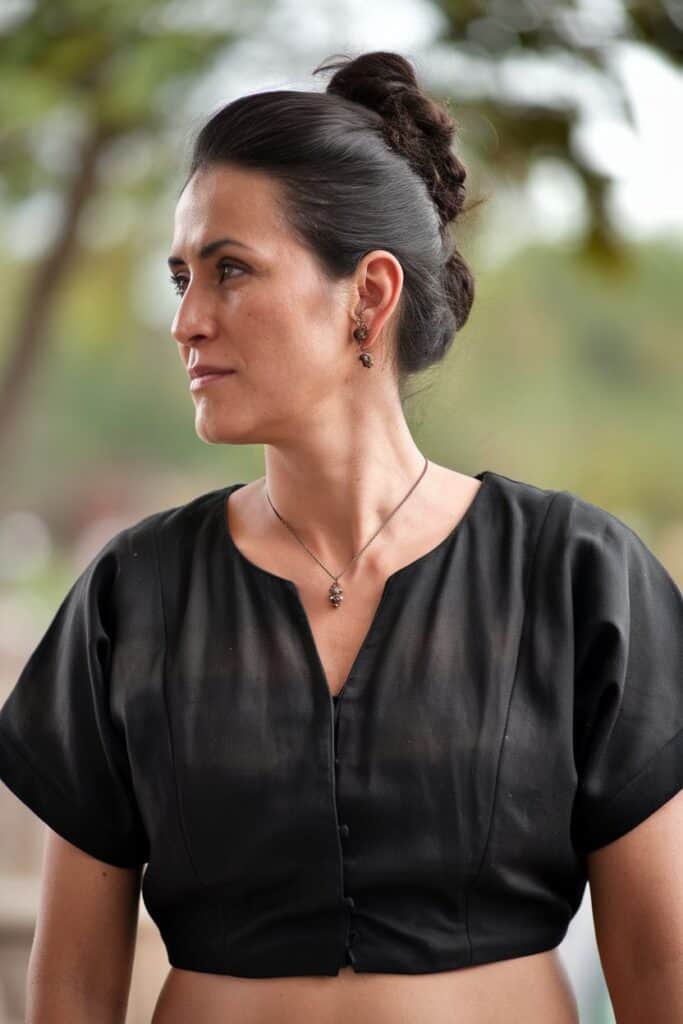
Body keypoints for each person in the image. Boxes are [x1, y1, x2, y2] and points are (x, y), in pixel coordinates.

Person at [0, 50, 681, 1024]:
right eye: (181, 275)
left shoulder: (575, 577)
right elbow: (69, 987)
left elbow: (664, 977)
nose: (186, 319)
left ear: (367, 294)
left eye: (229, 270)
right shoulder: (132, 593)